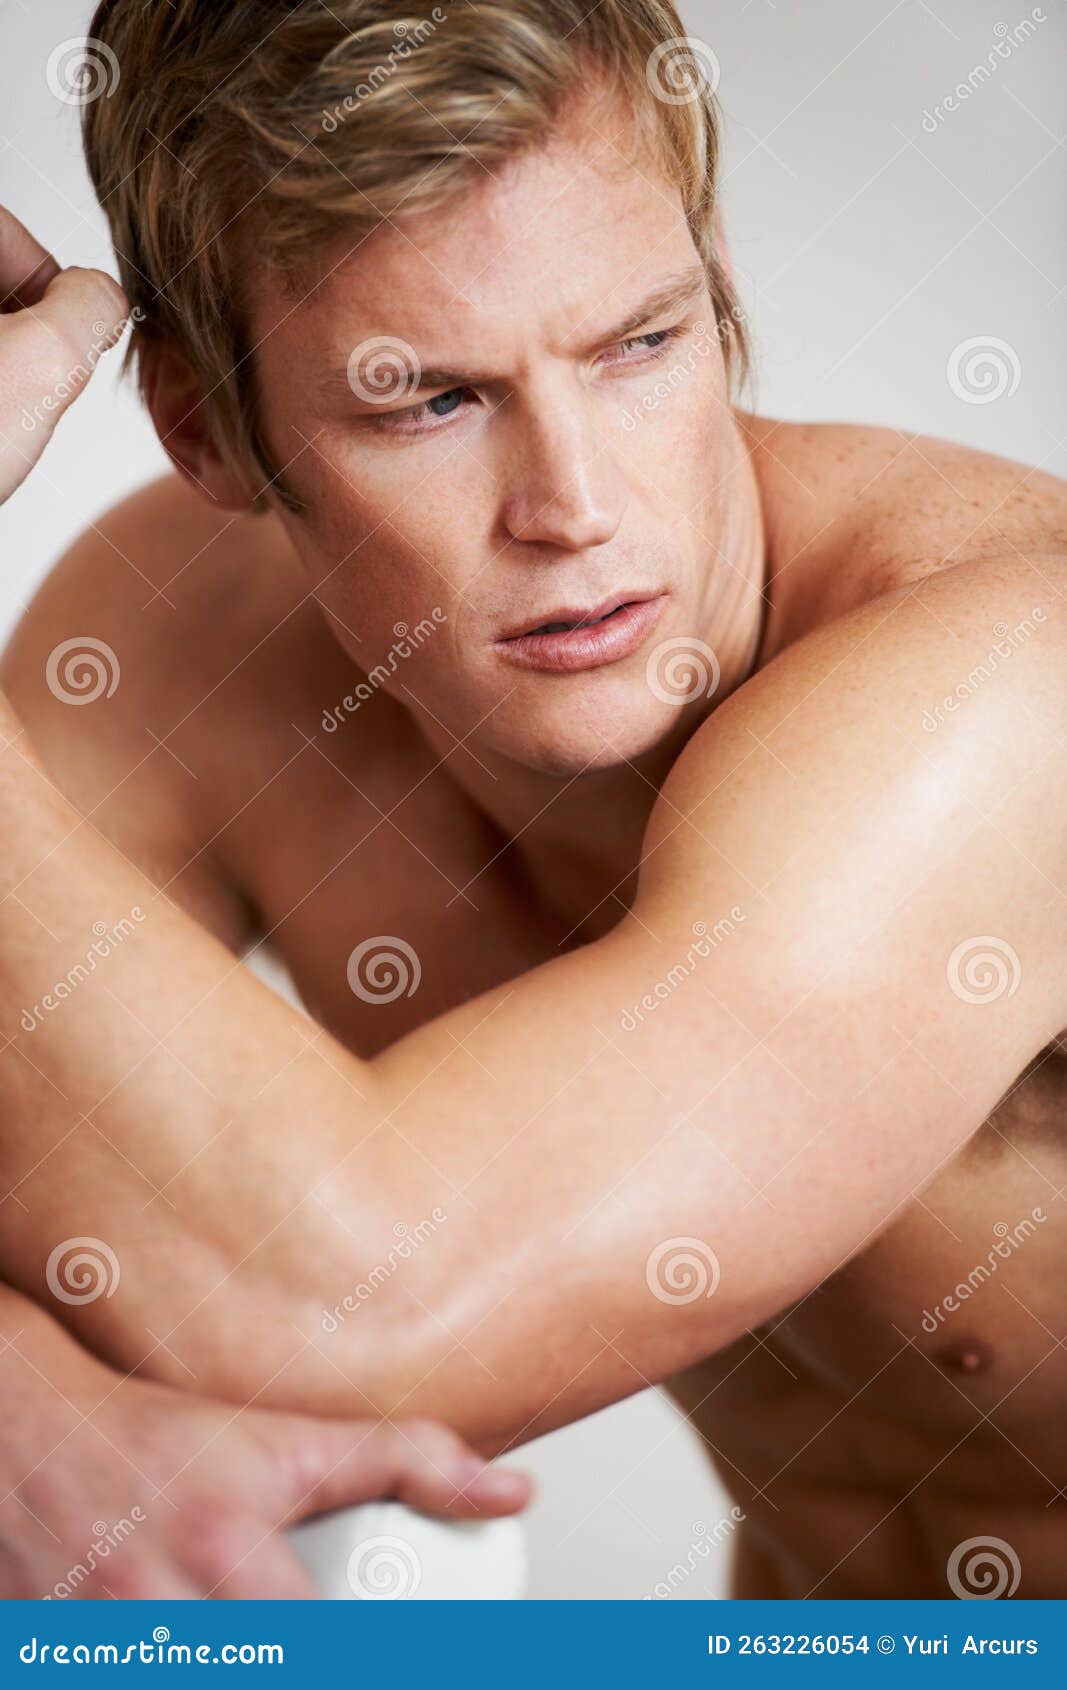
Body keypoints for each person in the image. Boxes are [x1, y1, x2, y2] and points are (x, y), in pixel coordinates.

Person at [1, 0, 1064, 1601]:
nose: (574, 507)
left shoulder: (1004, 681)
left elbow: (358, 1306)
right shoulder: (176, 649)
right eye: (428, 399)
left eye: (639, 342)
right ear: (205, 422)